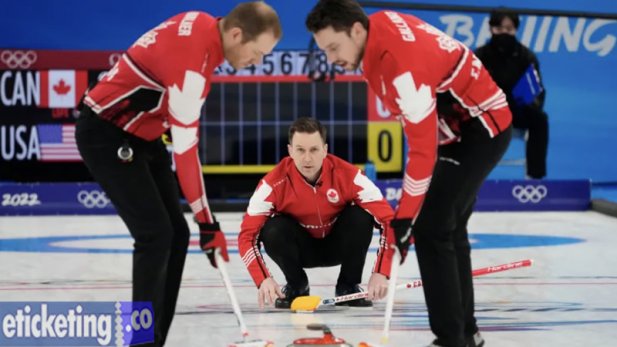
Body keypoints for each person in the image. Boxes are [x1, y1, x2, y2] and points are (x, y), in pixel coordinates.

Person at [306, 1, 512, 346]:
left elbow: (421, 151)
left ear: (356, 30)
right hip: (454, 128)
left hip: (481, 128)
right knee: (448, 226)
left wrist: (404, 220)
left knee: (432, 226)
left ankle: (452, 338)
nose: (331, 59)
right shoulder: (377, 31)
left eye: (333, 48)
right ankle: (465, 333)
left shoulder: (402, 65)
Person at [75, 3, 281, 346]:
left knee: (177, 236)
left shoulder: (201, 22)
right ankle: (140, 340)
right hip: (106, 132)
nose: (256, 62)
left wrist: (202, 225)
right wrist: (208, 222)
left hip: (144, 133)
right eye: (257, 52)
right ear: (236, 34)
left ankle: (155, 340)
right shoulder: (193, 68)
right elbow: (185, 154)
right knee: (155, 234)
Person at [238, 117, 397, 309]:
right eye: (300, 150)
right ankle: (297, 286)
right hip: (300, 250)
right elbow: (246, 237)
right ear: (290, 151)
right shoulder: (271, 185)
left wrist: (381, 272)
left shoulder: (350, 176)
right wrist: (263, 279)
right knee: (273, 229)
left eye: (314, 150)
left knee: (360, 216)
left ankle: (348, 286)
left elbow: (390, 222)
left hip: (339, 246)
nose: (307, 158)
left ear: (325, 150)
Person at [475, 9, 549, 179]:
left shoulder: (526, 57)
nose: (504, 33)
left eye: (508, 29)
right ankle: (472, 177)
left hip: (517, 111)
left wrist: (530, 103)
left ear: (515, 30)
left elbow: (537, 90)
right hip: (488, 113)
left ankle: (535, 178)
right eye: (499, 29)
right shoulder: (480, 56)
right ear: (491, 29)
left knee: (540, 119)